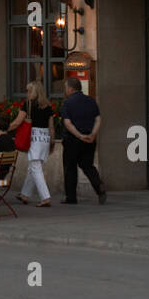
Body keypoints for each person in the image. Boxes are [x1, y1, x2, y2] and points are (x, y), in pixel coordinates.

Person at [60, 76, 105, 204]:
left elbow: (68, 123)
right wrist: (92, 134)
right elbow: (98, 119)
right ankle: (99, 187)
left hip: (72, 140)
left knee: (70, 168)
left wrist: (79, 135)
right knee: (88, 166)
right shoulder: (91, 101)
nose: (65, 90)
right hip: (89, 140)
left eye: (66, 88)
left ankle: (71, 197)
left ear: (70, 88)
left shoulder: (67, 103)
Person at [16, 81, 55, 207]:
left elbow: (18, 122)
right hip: (45, 138)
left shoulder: (27, 104)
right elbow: (51, 127)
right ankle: (24, 194)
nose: (27, 93)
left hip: (33, 137)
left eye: (29, 91)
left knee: (35, 167)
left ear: (34, 92)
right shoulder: (48, 106)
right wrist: (52, 141)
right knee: (33, 167)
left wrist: (4, 128)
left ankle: (45, 197)